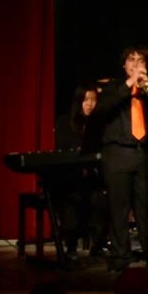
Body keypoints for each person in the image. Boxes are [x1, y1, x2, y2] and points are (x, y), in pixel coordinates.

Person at [96, 47, 148, 272]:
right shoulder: (112, 87)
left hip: (146, 152)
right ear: (124, 66)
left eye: (141, 61)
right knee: (118, 208)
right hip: (119, 153)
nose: (136, 65)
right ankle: (120, 255)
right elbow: (103, 110)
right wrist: (129, 84)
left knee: (147, 207)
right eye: (132, 60)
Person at [52, 84, 108, 265]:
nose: (90, 104)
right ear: (79, 102)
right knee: (73, 197)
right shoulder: (64, 122)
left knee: (105, 199)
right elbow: (65, 149)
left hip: (93, 176)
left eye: (93, 100)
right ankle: (71, 246)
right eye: (86, 100)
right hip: (70, 177)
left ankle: (98, 246)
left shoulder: (100, 123)